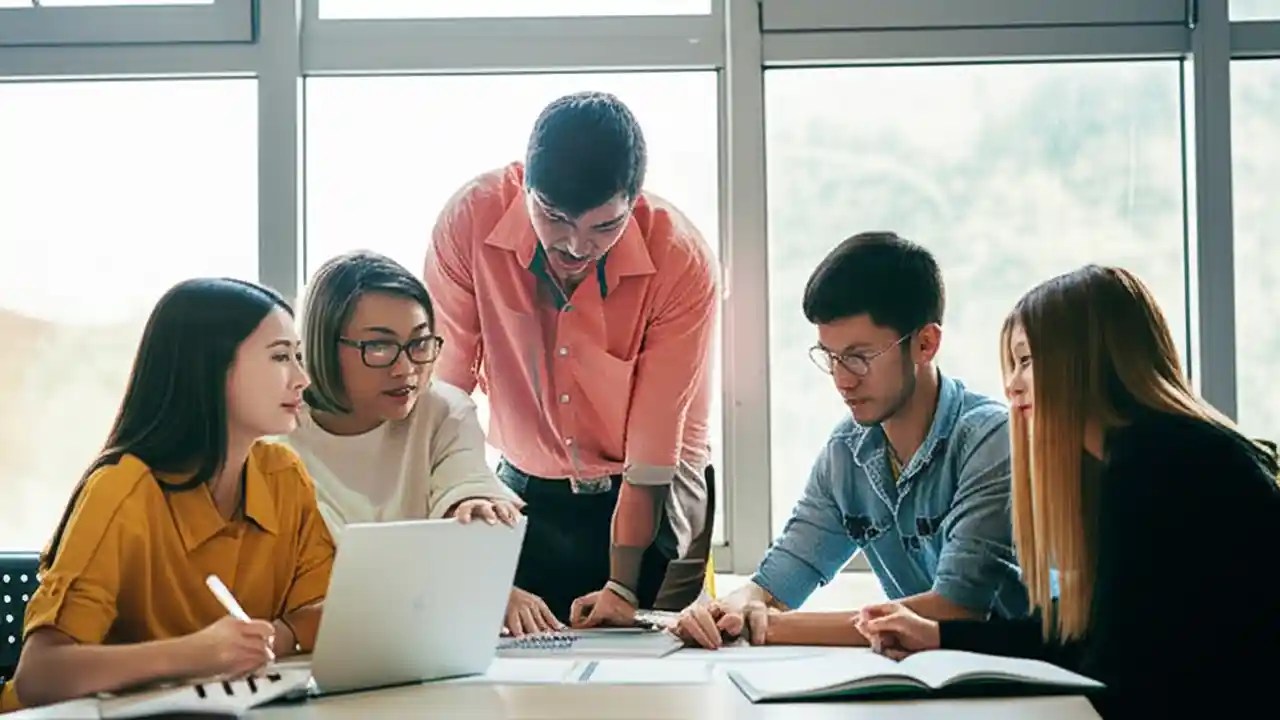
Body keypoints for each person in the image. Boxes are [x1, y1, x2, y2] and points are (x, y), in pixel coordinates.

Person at [853, 265, 1280, 718]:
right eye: (1011, 365)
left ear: (1084, 359)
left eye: (1026, 360)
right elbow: (1083, 628)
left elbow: (1120, 663)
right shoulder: (1134, 457)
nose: (1012, 384)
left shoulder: (1161, 464)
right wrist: (937, 635)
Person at [423, 90, 718, 627]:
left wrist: (622, 586)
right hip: (526, 477)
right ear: (525, 184)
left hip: (656, 485)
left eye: (605, 227)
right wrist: (465, 535)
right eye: (554, 217)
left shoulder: (679, 257)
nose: (577, 247)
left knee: (647, 656)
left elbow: (653, 455)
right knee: (521, 653)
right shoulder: (470, 221)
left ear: (633, 199)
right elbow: (443, 402)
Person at [676, 232, 1028, 649]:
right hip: (928, 682)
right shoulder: (847, 451)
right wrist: (729, 608)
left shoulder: (989, 440)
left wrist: (770, 626)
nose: (842, 379)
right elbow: (780, 577)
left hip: (1021, 679)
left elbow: (958, 606)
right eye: (830, 357)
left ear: (925, 343)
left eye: (859, 357)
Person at [1, 278, 334, 713]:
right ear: (211, 369)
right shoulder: (121, 490)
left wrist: (269, 638)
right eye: (279, 357)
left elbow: (323, 613)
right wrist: (198, 654)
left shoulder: (284, 476)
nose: (302, 379)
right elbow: (41, 676)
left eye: (298, 357)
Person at [283, 250, 555, 636]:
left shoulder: (443, 410)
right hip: (320, 632)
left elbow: (465, 496)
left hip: (420, 630)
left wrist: (490, 580)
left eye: (420, 344)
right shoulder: (277, 431)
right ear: (323, 344)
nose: (406, 369)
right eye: (379, 347)